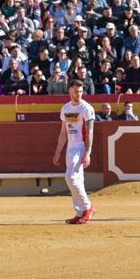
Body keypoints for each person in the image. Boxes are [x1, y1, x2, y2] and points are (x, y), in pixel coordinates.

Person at [53, 79, 96, 225]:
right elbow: (63, 133)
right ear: (70, 90)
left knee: (70, 177)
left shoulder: (87, 108)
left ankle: (87, 207)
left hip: (80, 146)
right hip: (71, 147)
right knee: (77, 180)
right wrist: (58, 151)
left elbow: (90, 132)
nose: (79, 94)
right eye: (76, 91)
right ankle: (79, 212)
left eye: (81, 91)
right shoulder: (65, 108)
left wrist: (88, 153)